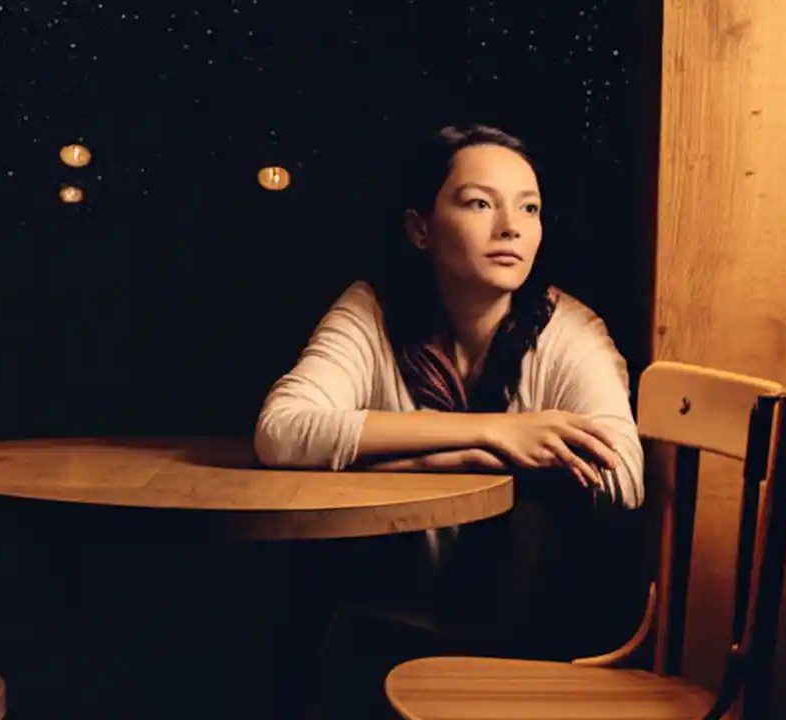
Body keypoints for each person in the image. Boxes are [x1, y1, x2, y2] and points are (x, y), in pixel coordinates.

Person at [253, 124, 647, 716]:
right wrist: (493, 433)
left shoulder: (567, 329)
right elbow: (281, 431)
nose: (510, 226)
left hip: (535, 643)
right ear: (420, 229)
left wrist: (407, 458)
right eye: (479, 202)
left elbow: (623, 480)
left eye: (529, 207)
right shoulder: (372, 311)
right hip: (382, 621)